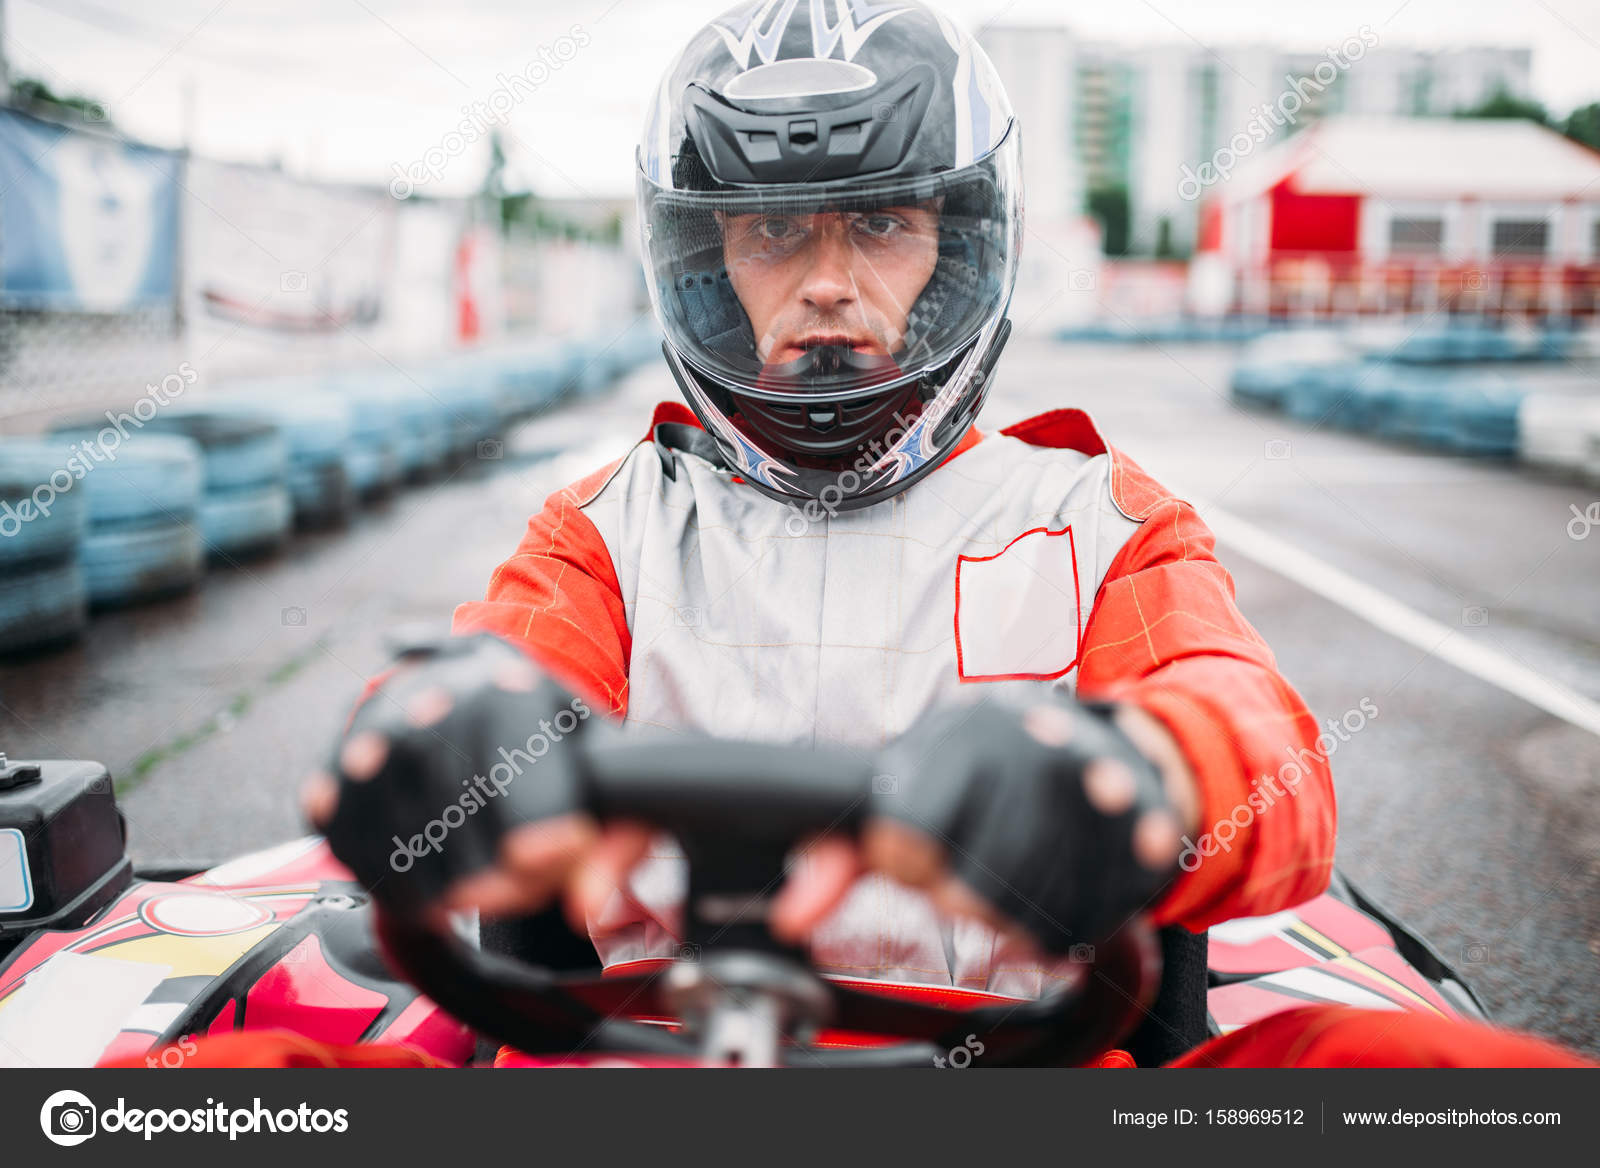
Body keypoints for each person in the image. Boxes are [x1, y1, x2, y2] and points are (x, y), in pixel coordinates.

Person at [302, 0, 1336, 1066]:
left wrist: (1144, 773)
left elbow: (1273, 760)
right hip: (648, 1056)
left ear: (961, 250)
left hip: (1009, 1067)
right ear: (706, 267)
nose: (829, 281)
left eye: (882, 224)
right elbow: (457, 696)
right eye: (774, 232)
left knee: (1401, 1067)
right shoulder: (610, 533)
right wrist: (441, 736)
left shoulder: (1098, 523)